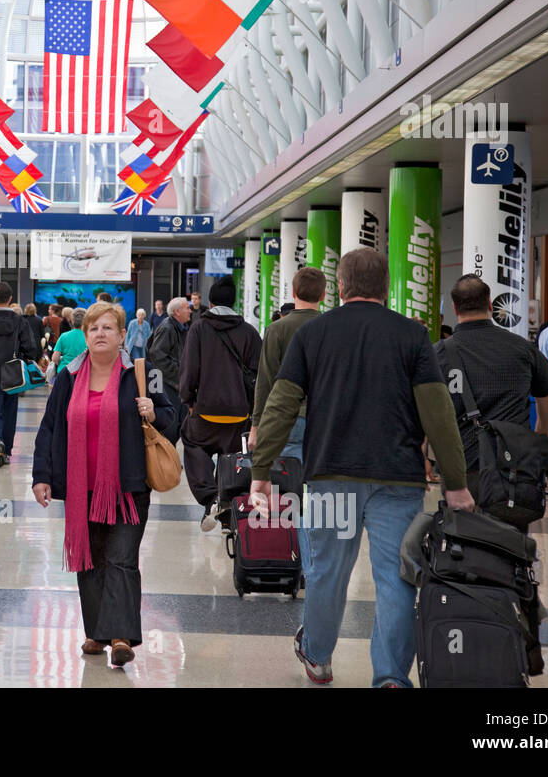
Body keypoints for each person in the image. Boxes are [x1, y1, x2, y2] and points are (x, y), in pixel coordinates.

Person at [249, 248, 474, 688]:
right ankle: (390, 677)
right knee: (397, 578)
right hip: (399, 480)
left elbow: (280, 404)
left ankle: (316, 656)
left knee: (327, 573)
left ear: (341, 285)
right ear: (386, 286)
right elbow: (438, 412)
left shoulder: (313, 334)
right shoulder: (412, 335)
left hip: (332, 477)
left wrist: (260, 470)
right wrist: (455, 482)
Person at [32, 301, 174, 667]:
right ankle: (97, 631)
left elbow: (174, 419)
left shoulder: (142, 372)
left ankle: (122, 636)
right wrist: (41, 476)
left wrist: (154, 412)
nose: (100, 334)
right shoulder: (69, 376)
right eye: (94, 328)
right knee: (90, 560)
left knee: (122, 559)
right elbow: (49, 428)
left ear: (123, 335)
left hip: (128, 487)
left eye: (108, 328)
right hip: (82, 487)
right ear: (84, 334)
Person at [437, 275, 548, 504]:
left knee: (461, 532)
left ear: (455, 308)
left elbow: (428, 409)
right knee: (511, 533)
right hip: (513, 465)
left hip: (461, 465)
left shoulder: (439, 353)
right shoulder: (522, 348)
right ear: (490, 304)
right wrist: (541, 435)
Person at [178, 277, 261, 530]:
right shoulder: (248, 331)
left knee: (192, 443)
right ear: (233, 302)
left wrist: (187, 398)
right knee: (231, 459)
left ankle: (210, 497)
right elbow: (259, 374)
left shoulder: (199, 329)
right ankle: (227, 515)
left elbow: (189, 368)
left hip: (206, 410)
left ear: (210, 302)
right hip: (239, 414)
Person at [249, 267, 326, 462]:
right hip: (325, 417)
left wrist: (256, 426)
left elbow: (265, 380)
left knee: (288, 480)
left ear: (293, 292)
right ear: (323, 295)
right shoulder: (332, 327)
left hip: (286, 417)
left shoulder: (277, 329)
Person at [0, 282, 41, 466]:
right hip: (14, 372)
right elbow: (31, 347)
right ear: (11, 299)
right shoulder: (20, 321)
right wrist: (26, 358)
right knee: (10, 410)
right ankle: (8, 450)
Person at [146, 297, 191, 442]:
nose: (190, 310)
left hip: (174, 384)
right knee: (170, 428)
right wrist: (182, 372)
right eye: (187, 308)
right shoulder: (167, 327)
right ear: (177, 311)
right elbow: (157, 356)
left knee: (179, 425)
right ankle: (165, 463)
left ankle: (170, 462)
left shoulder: (179, 328)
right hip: (167, 385)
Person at [50, 307, 89, 373]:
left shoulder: (64, 336)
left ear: (72, 320)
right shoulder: (90, 337)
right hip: (82, 373)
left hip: (64, 372)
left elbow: (55, 358)